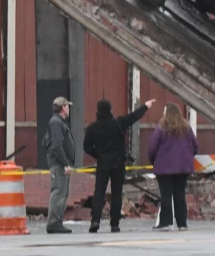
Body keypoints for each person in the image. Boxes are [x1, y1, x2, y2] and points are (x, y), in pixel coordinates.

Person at [83, 98, 156, 233]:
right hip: (118, 163)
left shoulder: (92, 128)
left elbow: (86, 147)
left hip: (103, 164)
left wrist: (98, 154)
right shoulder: (119, 123)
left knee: (99, 192)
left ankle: (95, 220)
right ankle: (114, 223)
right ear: (110, 110)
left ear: (97, 111)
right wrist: (146, 106)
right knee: (116, 193)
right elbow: (133, 117)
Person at [148, 103, 199, 231]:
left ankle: (166, 223)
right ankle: (182, 224)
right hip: (183, 168)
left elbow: (152, 147)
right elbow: (195, 146)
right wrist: (187, 158)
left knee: (166, 195)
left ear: (167, 113)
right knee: (180, 195)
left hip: (164, 168)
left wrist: (153, 161)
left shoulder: (161, 128)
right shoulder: (186, 128)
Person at [43, 96, 76, 234]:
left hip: (60, 164)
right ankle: (53, 223)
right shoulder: (56, 123)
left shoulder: (57, 122)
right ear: (63, 107)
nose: (69, 109)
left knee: (62, 192)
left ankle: (57, 221)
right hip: (59, 165)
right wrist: (65, 164)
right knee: (58, 192)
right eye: (68, 106)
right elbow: (57, 146)